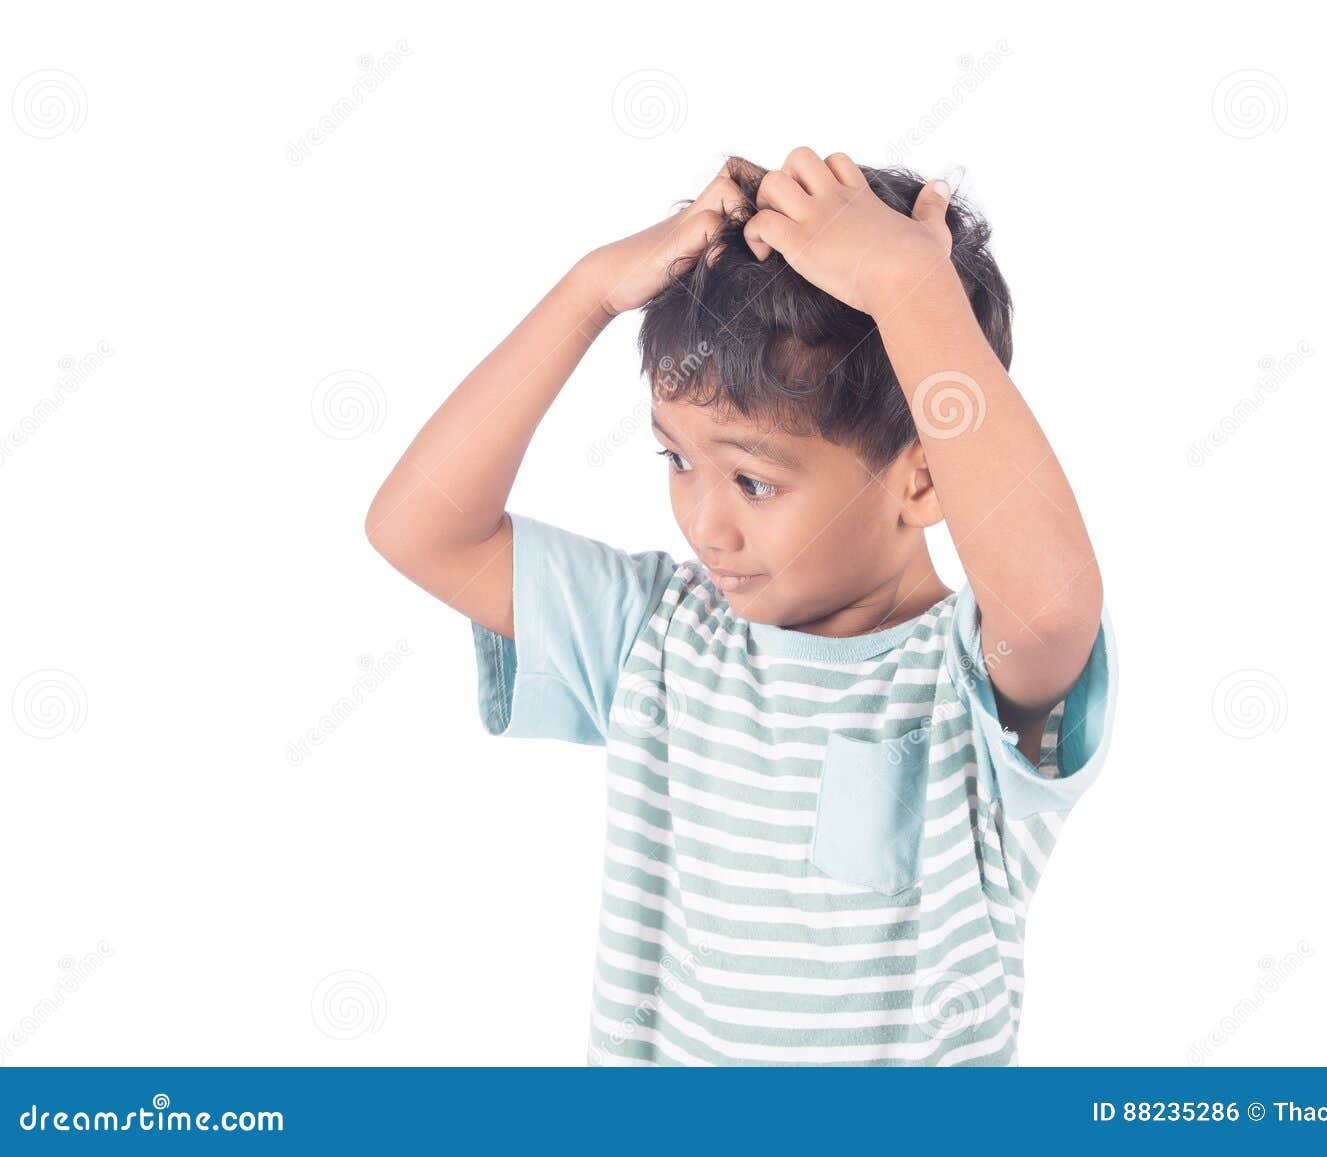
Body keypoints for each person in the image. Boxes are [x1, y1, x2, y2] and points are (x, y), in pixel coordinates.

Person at [366, 147, 1118, 1064]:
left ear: (924, 478)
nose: (704, 525)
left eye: (754, 482)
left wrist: (911, 290)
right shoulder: (655, 636)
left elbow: (1051, 610)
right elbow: (420, 528)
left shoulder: (969, 683)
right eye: (678, 460)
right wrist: (588, 293)